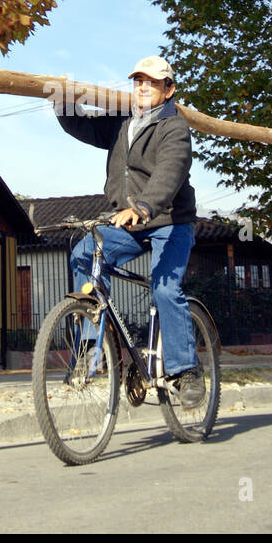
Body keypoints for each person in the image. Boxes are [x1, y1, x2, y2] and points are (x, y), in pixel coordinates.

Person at [56, 55, 203, 407]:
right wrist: (63, 102)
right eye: (138, 81)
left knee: (164, 289)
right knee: (83, 255)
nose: (142, 87)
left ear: (169, 90)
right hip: (128, 221)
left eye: (151, 82)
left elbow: (171, 172)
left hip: (170, 221)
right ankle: (94, 348)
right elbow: (85, 128)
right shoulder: (123, 121)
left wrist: (143, 207)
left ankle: (186, 372)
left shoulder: (175, 129)